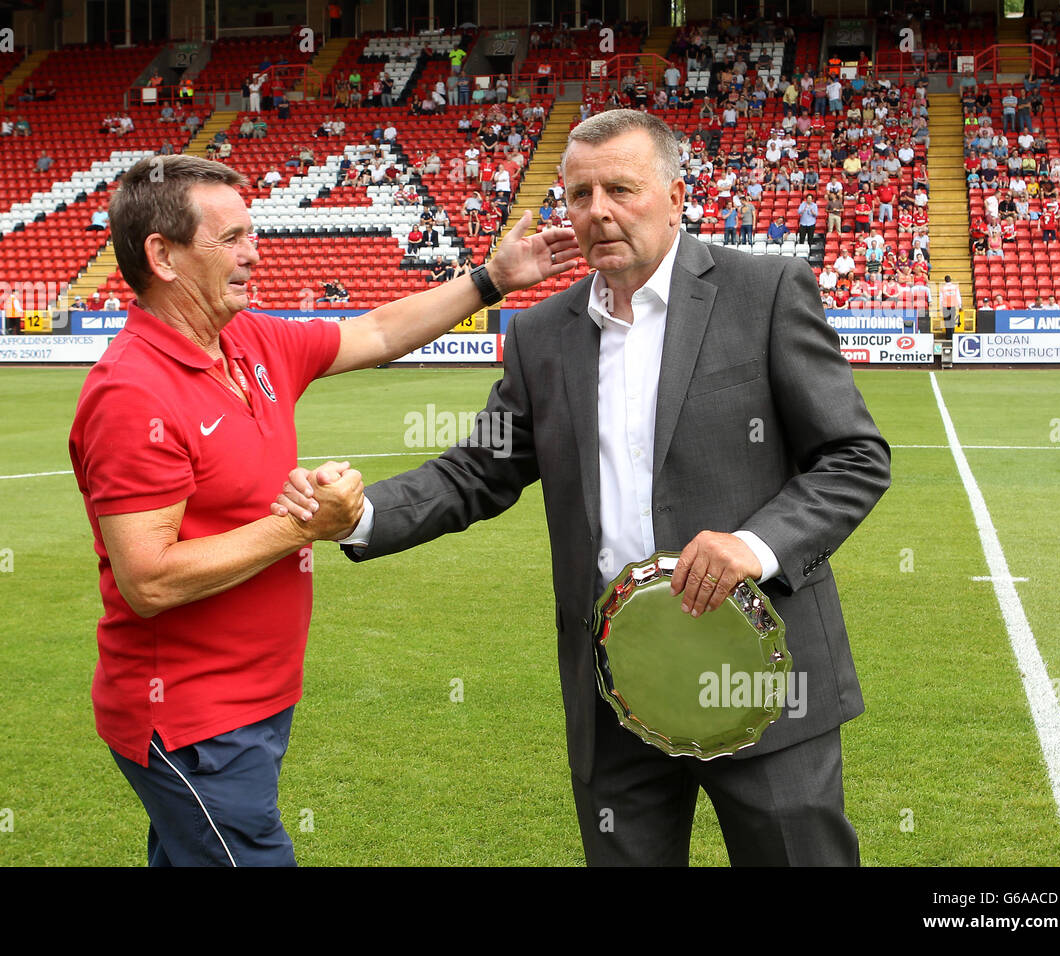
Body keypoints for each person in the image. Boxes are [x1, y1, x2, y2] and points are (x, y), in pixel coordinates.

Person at [278, 111, 891, 866]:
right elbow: (479, 469)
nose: (598, 209)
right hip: (617, 689)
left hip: (757, 674)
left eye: (621, 189)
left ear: (675, 195)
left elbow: (853, 457)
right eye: (580, 193)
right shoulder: (543, 335)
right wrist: (362, 513)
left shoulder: (762, 289)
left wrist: (753, 545)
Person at [68, 154, 579, 868]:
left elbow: (375, 333)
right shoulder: (133, 393)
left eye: (253, 234)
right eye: (232, 238)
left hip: (256, 701)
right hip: (189, 718)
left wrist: (492, 279)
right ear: (164, 256)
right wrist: (302, 525)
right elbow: (147, 580)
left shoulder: (247, 341)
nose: (254, 253)